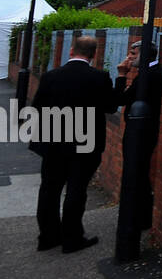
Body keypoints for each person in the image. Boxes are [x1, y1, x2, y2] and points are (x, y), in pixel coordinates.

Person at [34, 34, 120, 253]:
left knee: (49, 189)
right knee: (76, 189)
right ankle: (72, 239)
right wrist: (121, 78)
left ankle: (48, 237)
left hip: (54, 141)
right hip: (85, 142)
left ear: (71, 51)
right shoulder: (100, 78)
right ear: (93, 55)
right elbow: (111, 107)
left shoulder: (50, 76)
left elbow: (37, 108)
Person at [114, 37, 162, 261]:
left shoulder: (149, 76)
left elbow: (120, 99)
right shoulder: (153, 73)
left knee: (137, 174)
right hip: (143, 132)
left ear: (143, 56)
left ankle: (139, 218)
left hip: (141, 133)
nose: (129, 58)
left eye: (133, 55)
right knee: (140, 175)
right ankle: (142, 216)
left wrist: (121, 75)